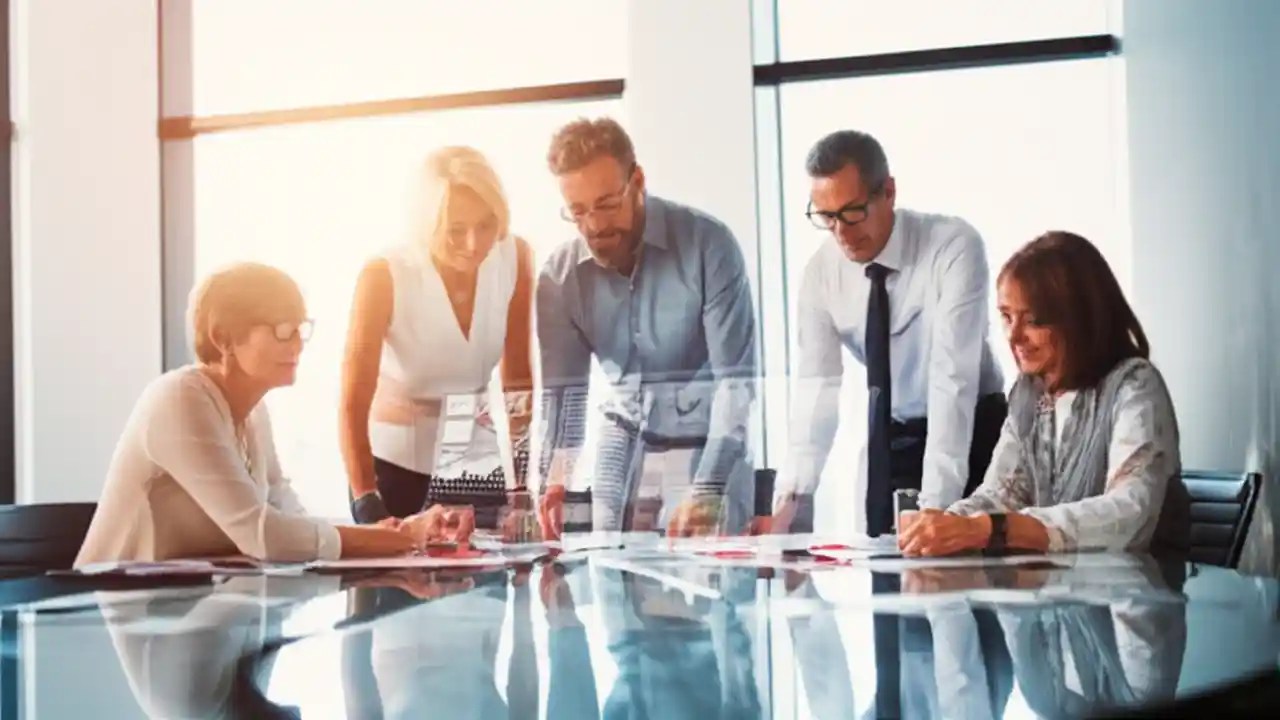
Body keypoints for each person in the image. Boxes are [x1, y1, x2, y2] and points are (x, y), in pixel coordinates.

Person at [75, 263, 415, 568]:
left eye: (301, 329)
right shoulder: (180, 399)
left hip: (188, 610)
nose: (297, 345)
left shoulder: (254, 413)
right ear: (223, 338)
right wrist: (395, 538)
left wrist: (381, 534)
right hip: (113, 611)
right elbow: (262, 534)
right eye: (283, 330)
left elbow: (285, 511)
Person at [773, 129, 1008, 536]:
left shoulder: (952, 247)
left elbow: (952, 380)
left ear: (888, 192)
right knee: (884, 577)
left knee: (971, 581)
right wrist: (790, 499)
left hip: (972, 430)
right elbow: (818, 387)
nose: (841, 232)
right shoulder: (821, 274)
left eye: (852, 212)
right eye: (826, 217)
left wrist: (936, 510)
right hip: (891, 438)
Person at [899, 231, 1190, 557]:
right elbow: (1002, 493)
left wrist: (991, 529)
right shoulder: (1028, 394)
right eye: (1007, 317)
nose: (1014, 336)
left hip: (1136, 594)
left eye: (1033, 320)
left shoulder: (1134, 386)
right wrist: (946, 524)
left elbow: (1130, 511)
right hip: (1060, 597)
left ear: (1081, 317)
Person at [534, 117, 757, 538]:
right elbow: (566, 397)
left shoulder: (709, 245)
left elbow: (736, 386)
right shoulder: (560, 277)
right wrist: (556, 479)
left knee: (714, 585)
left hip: (706, 439)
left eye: (606, 204)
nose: (595, 226)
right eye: (578, 211)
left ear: (637, 181)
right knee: (610, 577)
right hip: (624, 436)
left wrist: (707, 490)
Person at [339, 146, 535, 525]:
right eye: (456, 231)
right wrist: (366, 499)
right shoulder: (384, 274)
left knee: (486, 581)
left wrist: (522, 486)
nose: (474, 244)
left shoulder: (515, 256)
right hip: (393, 470)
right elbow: (352, 400)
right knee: (399, 582)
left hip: (476, 465)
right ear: (426, 224)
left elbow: (518, 383)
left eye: (485, 225)